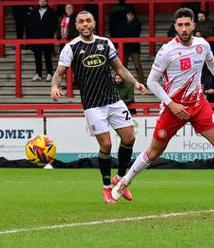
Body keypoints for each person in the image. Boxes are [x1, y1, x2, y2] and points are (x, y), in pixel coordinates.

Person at [111, 8, 214, 205]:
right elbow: (152, 81)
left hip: (198, 105)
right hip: (173, 109)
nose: (184, 29)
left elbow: (213, 65)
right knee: (153, 152)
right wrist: (172, 104)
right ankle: (125, 181)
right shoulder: (167, 51)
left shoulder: (202, 45)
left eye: (187, 24)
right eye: (180, 25)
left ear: (194, 25)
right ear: (175, 27)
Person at [51, 11, 147, 203]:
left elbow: (119, 68)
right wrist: (54, 86)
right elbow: (59, 72)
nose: (85, 24)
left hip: (113, 99)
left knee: (130, 138)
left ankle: (120, 180)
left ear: (94, 23)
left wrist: (135, 82)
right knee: (106, 144)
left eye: (88, 21)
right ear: (76, 26)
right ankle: (106, 188)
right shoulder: (71, 47)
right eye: (81, 22)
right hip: (93, 104)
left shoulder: (105, 43)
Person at [26, 0, 58, 82]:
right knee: (37, 57)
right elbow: (30, 26)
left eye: (44, 1)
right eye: (41, 1)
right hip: (36, 38)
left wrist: (50, 33)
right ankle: (38, 74)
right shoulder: (34, 12)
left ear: (46, 2)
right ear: (38, 2)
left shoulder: (51, 12)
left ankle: (49, 74)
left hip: (47, 38)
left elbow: (55, 25)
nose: (42, 2)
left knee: (47, 56)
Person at [113, 8, 144, 83]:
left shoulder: (137, 22)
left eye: (132, 15)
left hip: (134, 48)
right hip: (124, 47)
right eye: (128, 14)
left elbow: (135, 33)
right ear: (126, 15)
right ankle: (120, 83)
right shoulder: (121, 23)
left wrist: (126, 33)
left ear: (134, 15)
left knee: (138, 66)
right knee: (122, 66)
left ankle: (142, 82)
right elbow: (119, 33)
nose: (130, 16)